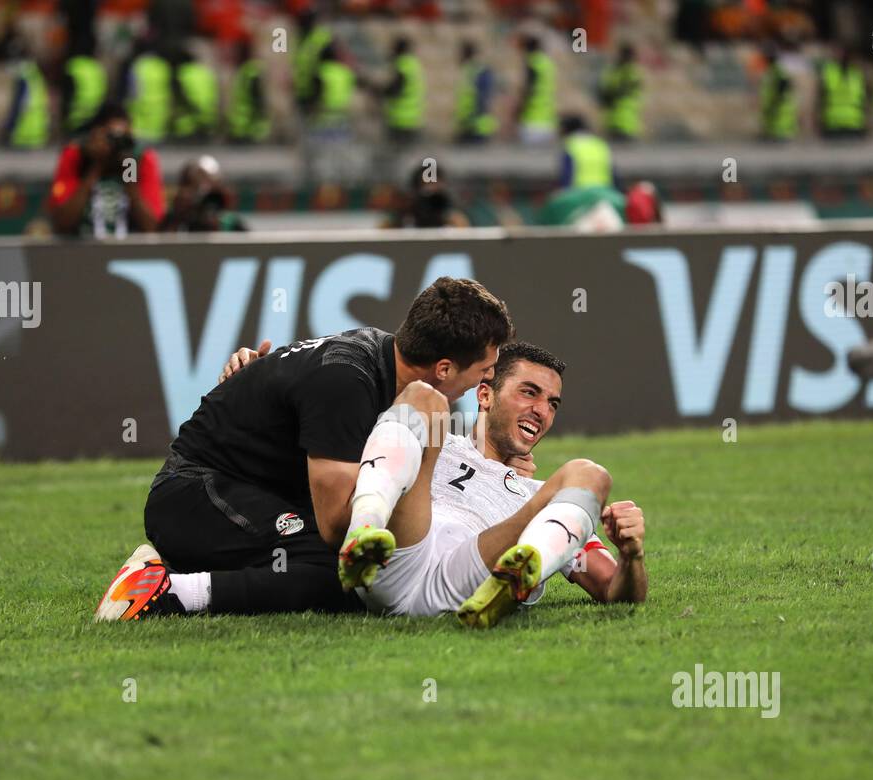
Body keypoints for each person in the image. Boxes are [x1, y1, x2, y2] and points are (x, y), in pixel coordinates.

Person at [93, 277, 514, 620]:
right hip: (195, 495)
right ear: (443, 368)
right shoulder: (347, 383)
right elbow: (336, 527)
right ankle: (168, 593)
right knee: (344, 570)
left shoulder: (379, 358)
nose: (483, 383)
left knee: (357, 563)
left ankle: (182, 569)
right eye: (484, 371)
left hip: (243, 494)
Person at [337, 342, 647, 627]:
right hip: (402, 552)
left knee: (590, 473)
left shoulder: (546, 499)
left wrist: (631, 556)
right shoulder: (439, 442)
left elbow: (611, 589)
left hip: (473, 573)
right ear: (485, 395)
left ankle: (514, 578)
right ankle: (364, 530)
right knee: (424, 396)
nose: (542, 411)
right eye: (529, 392)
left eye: (553, 403)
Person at [48, 102, 164, 237]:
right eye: (111, 138)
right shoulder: (76, 155)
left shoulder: (140, 158)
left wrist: (129, 171)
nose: (116, 145)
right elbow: (62, 223)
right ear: (95, 134)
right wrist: (96, 165)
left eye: (123, 139)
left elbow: (152, 227)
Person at [160, 156, 246, 232]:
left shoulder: (230, 222)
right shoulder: (178, 220)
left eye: (211, 188)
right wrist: (179, 216)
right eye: (197, 188)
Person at [122, 36, 172, 146]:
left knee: (139, 149)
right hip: (159, 110)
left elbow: (131, 89)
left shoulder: (138, 65)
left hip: (140, 111)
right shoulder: (162, 65)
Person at [376, 36, 425, 144]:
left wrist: (379, 91)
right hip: (413, 117)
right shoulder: (414, 64)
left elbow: (395, 89)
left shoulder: (401, 65)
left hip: (399, 119)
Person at [3, 44, 50, 150]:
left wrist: (8, 128)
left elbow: (17, 106)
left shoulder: (23, 78)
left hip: (22, 136)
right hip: (38, 135)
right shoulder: (36, 75)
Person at [597, 43, 645, 141]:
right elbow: (605, 88)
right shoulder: (615, 71)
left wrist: (610, 95)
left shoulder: (631, 72)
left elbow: (626, 89)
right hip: (611, 119)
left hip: (626, 121)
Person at [61, 37, 108, 137]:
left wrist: (64, 118)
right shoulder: (95, 66)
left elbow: (67, 94)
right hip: (94, 117)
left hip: (76, 118)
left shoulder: (73, 65)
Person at [819, 43, 867, 139]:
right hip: (849, 123)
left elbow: (821, 99)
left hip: (839, 123)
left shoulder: (828, 73)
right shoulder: (857, 75)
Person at [516, 33, 558, 144]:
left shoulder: (532, 63)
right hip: (548, 120)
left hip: (532, 121)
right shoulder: (547, 63)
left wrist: (518, 110)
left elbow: (529, 90)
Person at [227, 38, 270, 144]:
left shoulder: (244, 69)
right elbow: (256, 96)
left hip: (240, 125)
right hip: (249, 128)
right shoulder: (254, 71)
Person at [454, 41, 497, 143]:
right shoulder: (468, 70)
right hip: (468, 122)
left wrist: (472, 119)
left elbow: (482, 99)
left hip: (477, 125)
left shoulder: (479, 71)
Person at [171, 47, 218, 140]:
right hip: (208, 121)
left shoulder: (181, 73)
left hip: (187, 126)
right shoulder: (205, 72)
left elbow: (184, 96)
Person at [558, 114, 614, 189]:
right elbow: (611, 171)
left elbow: (567, 174)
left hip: (580, 190)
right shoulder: (600, 144)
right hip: (604, 190)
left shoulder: (571, 145)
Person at [759, 42, 798, 141]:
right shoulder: (773, 70)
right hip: (774, 118)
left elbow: (783, 86)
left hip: (780, 116)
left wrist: (775, 101)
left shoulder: (778, 71)